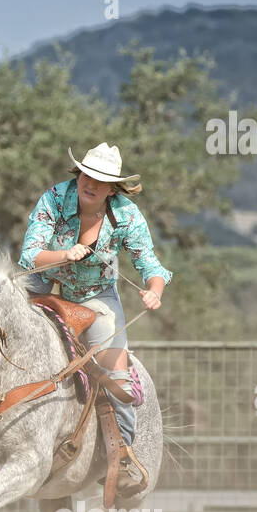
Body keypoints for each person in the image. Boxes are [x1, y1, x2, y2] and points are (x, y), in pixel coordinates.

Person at [18, 143, 172, 494]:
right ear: (79, 174)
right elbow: (30, 256)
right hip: (41, 283)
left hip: (95, 297)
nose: (92, 184)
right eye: (88, 175)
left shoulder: (127, 215)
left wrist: (154, 291)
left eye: (102, 181)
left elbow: (151, 265)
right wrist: (63, 255)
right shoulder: (54, 198)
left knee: (116, 374)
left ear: (113, 188)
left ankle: (124, 457)